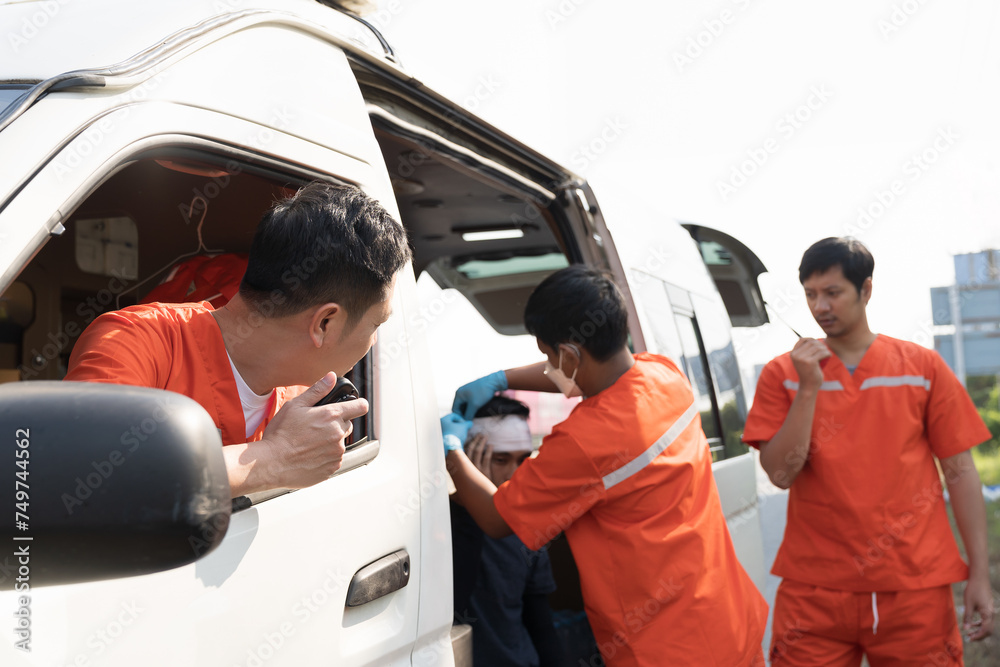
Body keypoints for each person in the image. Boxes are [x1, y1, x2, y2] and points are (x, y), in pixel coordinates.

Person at [441, 265, 768, 667]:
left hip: (666, 650)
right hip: (728, 622)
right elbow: (578, 377)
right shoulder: (664, 375)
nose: (547, 365)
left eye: (547, 355)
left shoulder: (583, 441)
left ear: (569, 355)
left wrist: (452, 451)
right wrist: (502, 378)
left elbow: (495, 518)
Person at [65, 182, 411, 496]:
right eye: (376, 324)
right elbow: (83, 480)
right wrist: (273, 459)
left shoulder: (298, 401)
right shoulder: (135, 341)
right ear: (325, 323)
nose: (375, 341)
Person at [742, 237, 994, 666]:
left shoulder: (922, 367)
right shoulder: (783, 374)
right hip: (814, 592)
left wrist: (979, 575)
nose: (820, 306)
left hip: (914, 586)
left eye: (832, 292)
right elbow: (781, 474)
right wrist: (808, 388)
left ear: (867, 289)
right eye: (810, 294)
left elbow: (961, 472)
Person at [450, 395, 569, 667]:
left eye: (523, 459)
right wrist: (473, 499)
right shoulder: (437, 525)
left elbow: (541, 626)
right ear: (470, 455)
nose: (515, 474)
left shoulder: (525, 527)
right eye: (501, 459)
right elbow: (456, 606)